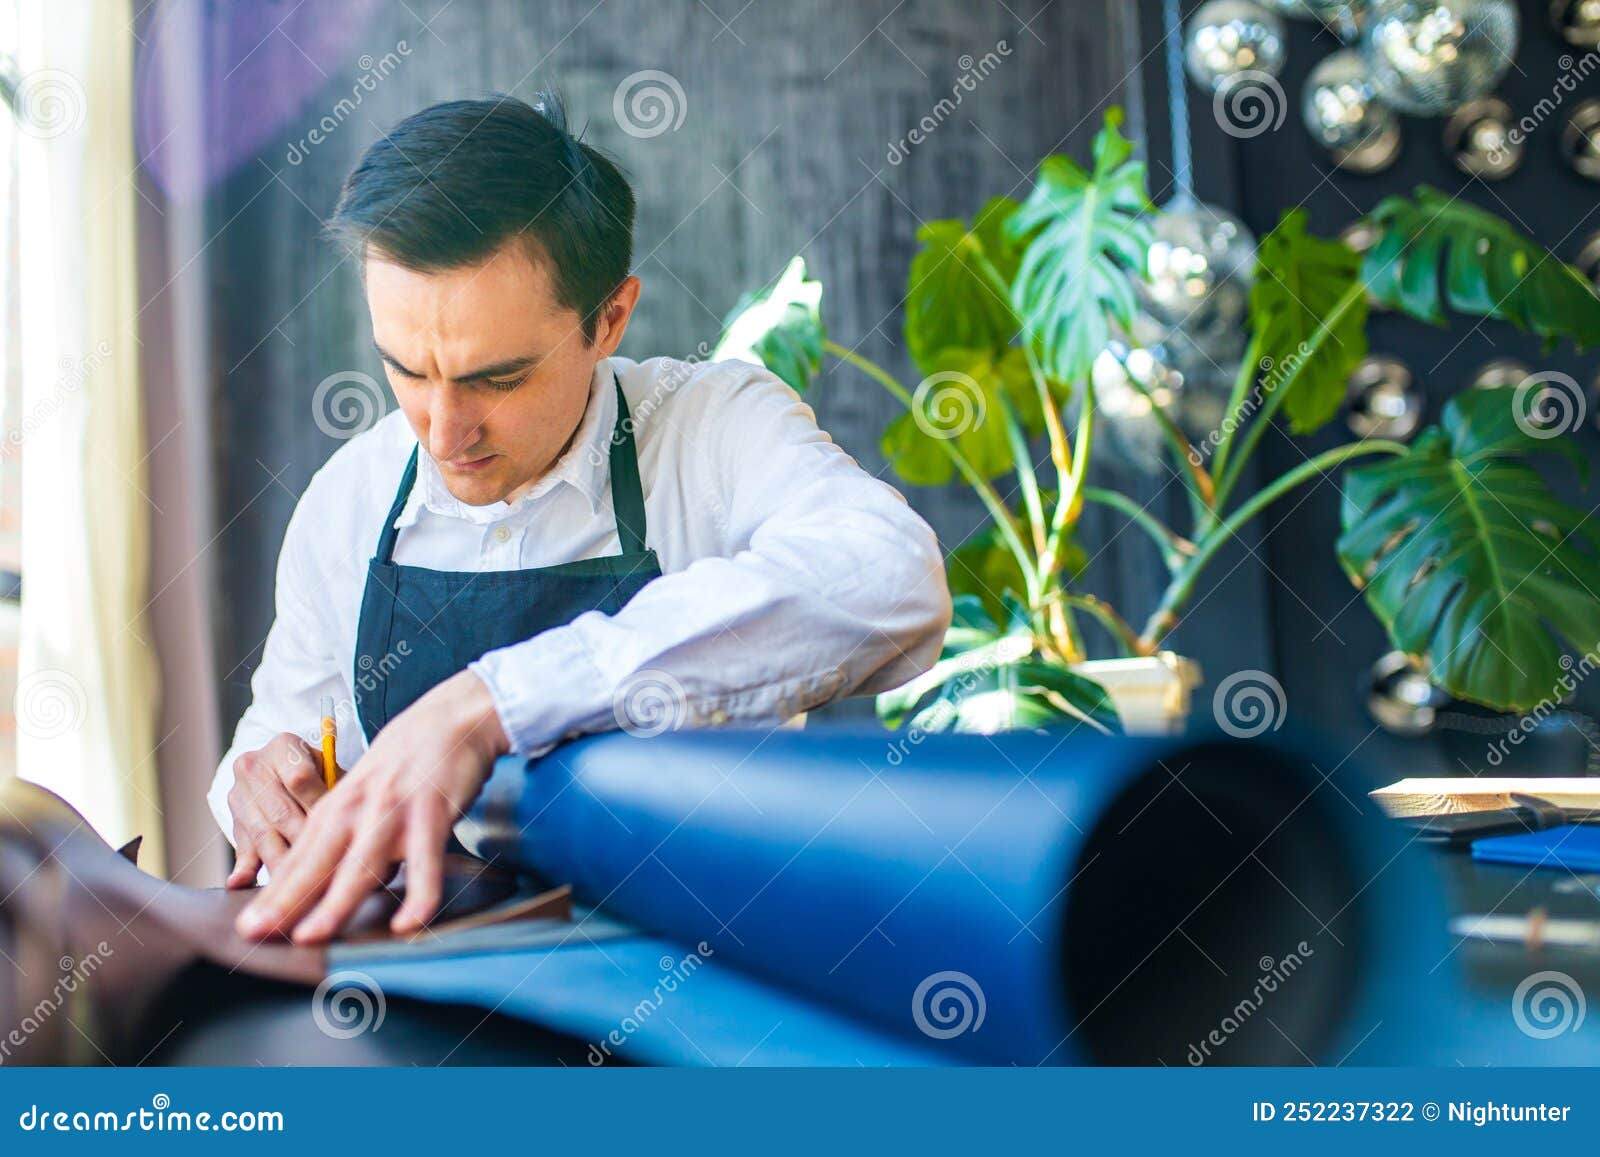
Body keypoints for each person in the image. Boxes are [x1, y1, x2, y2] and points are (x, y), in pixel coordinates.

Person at [208, 93, 951, 944]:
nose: (444, 431)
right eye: (407, 371)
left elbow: (891, 575)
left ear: (609, 319)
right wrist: (263, 781)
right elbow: (288, 731)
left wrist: (491, 704)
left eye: (497, 377)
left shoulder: (708, 428)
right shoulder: (352, 497)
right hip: (436, 987)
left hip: (706, 962)